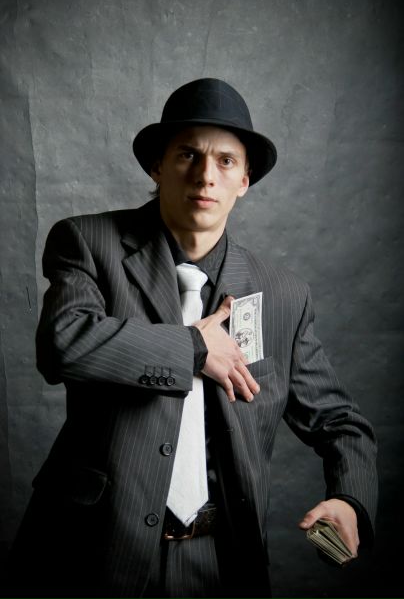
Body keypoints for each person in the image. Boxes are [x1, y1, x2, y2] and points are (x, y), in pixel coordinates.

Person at [5, 78, 377, 598]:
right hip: (89, 553)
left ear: (245, 179)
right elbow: (63, 343)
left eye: (226, 161)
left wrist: (350, 499)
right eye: (187, 155)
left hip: (221, 563)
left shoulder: (282, 295)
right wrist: (194, 348)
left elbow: (340, 422)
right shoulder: (88, 242)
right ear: (157, 166)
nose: (206, 176)